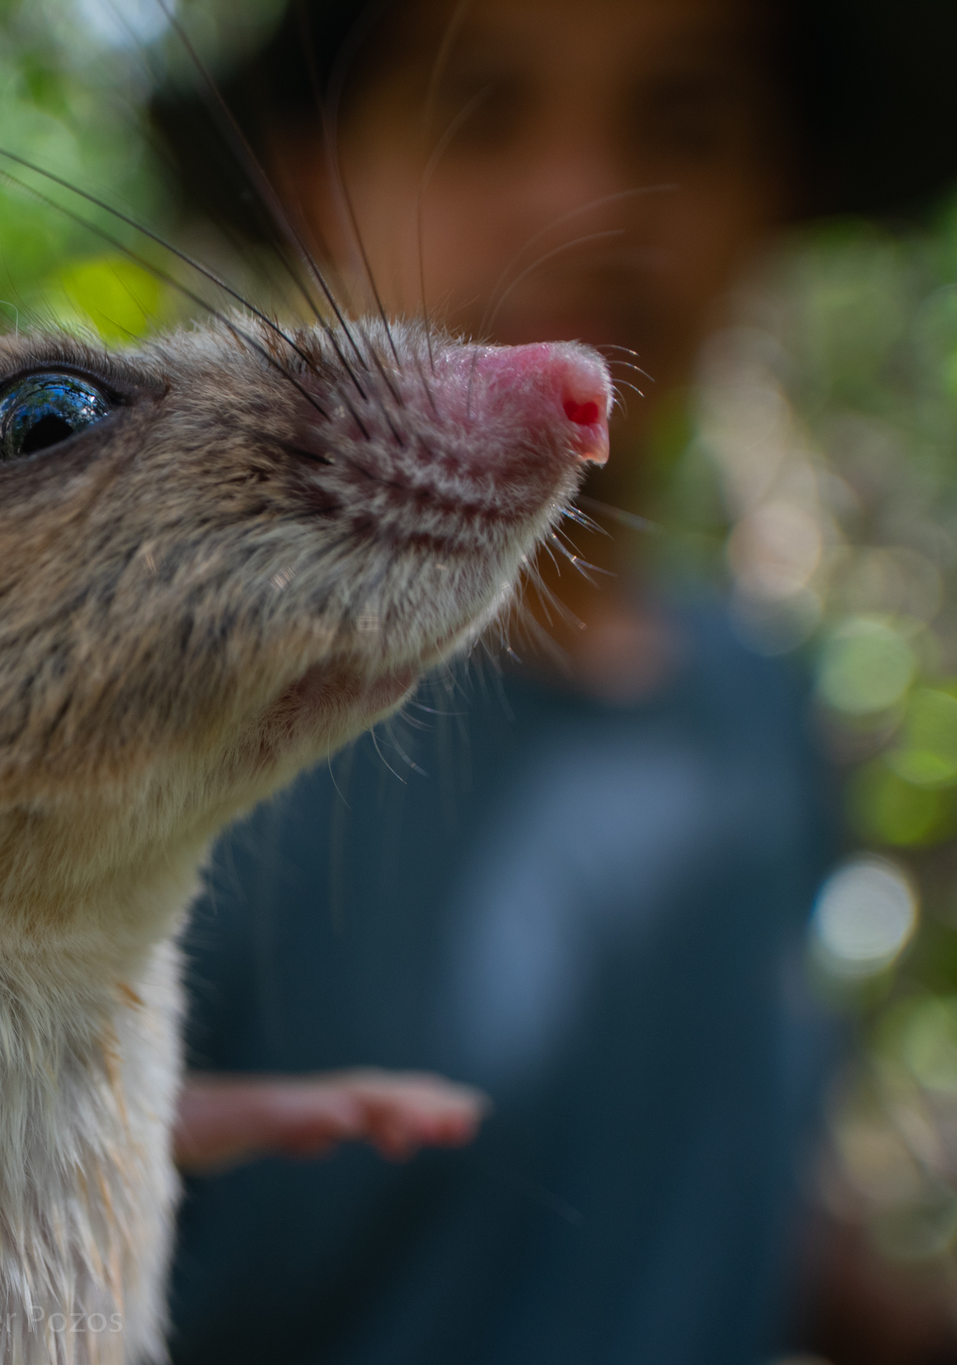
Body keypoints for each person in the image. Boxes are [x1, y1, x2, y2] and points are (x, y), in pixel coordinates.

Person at [154, 0, 957, 1359]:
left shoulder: (759, 707)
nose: (583, 199)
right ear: (313, 185)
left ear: (781, 198)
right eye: (480, 113)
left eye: (686, 123)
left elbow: (697, 1185)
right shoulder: (158, 727)